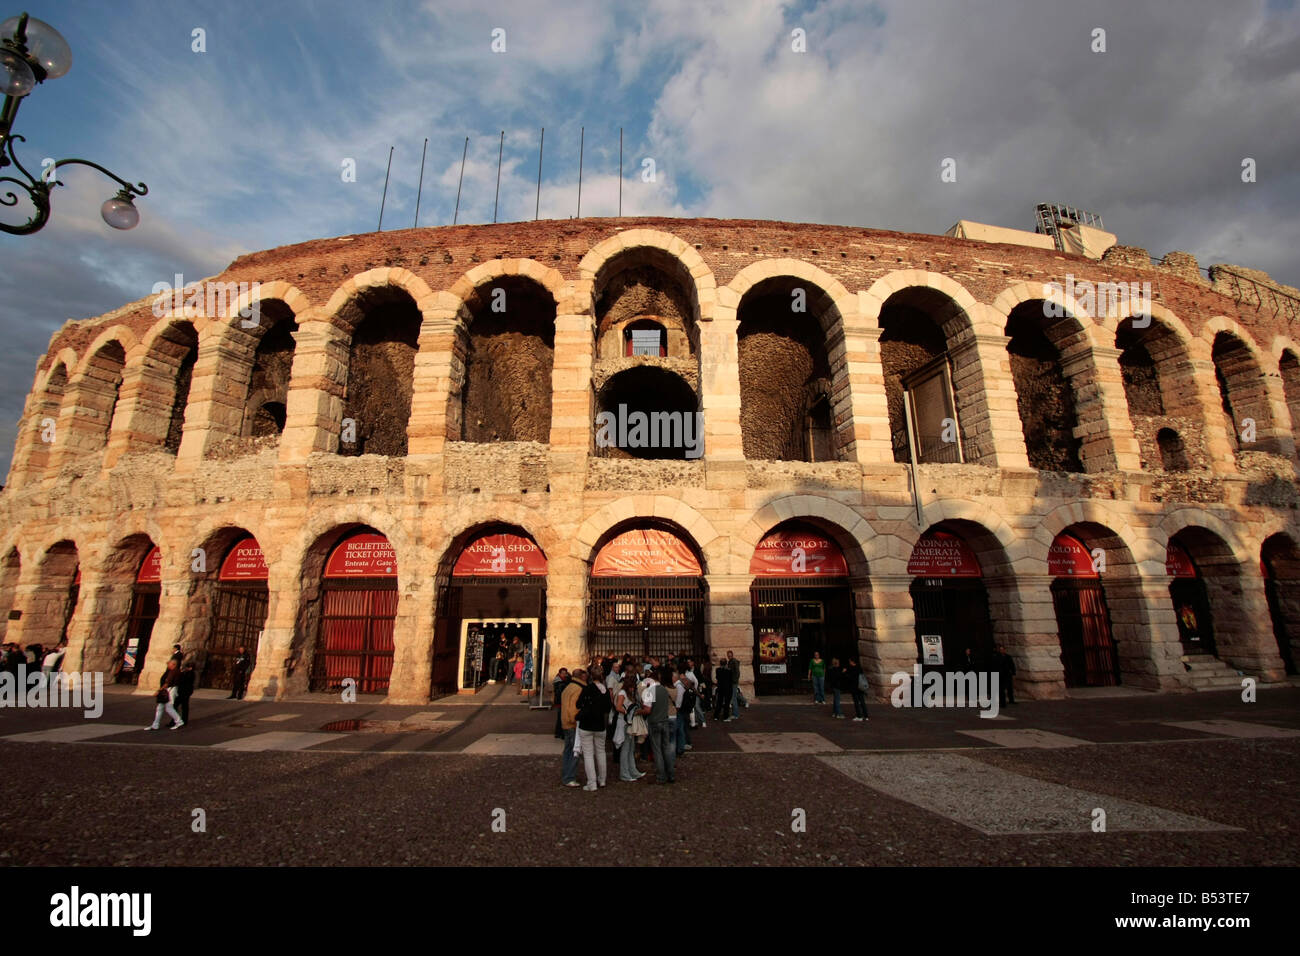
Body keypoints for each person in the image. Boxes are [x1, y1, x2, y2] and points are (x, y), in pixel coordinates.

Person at [576, 665, 611, 790]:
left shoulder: (588, 688)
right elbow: (608, 708)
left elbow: (578, 703)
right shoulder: (605, 691)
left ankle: (592, 782)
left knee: (589, 754)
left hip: (586, 724)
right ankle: (602, 780)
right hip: (600, 724)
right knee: (601, 752)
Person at [639, 667, 675, 784]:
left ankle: (661, 776)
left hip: (655, 722)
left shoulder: (650, 691)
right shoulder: (664, 690)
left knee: (657, 750)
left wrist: (638, 711)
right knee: (666, 749)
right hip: (665, 721)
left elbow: (648, 710)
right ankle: (671, 774)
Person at [613, 673, 644, 782]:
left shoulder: (629, 693)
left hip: (629, 722)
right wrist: (627, 712)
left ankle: (633, 771)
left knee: (630, 748)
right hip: (625, 722)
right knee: (626, 749)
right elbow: (618, 707)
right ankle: (625, 773)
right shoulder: (622, 693)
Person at [560, 668, 585, 787]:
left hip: (565, 722)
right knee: (575, 751)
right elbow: (573, 708)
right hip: (572, 724)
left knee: (568, 751)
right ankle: (569, 777)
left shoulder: (568, 687)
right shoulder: (578, 689)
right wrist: (575, 721)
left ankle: (566, 774)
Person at [146, 659, 184, 731]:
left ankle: (179, 721)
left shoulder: (174, 672)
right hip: (170, 690)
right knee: (160, 708)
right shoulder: (174, 671)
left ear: (173, 664)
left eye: (169, 664)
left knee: (169, 708)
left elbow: (168, 683)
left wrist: (159, 690)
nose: (168, 665)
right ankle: (155, 724)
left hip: (170, 691)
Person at [174, 660, 197, 725]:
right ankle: (183, 720)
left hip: (184, 692)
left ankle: (177, 719)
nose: (186, 668)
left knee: (177, 705)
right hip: (185, 692)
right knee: (184, 706)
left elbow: (184, 681)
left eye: (187, 667)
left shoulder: (190, 674)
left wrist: (182, 673)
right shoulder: (188, 673)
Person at [847, 657, 869, 721]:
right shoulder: (859, 668)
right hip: (860, 687)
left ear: (852, 662)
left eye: (850, 661)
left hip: (855, 687)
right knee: (862, 702)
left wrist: (845, 673)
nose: (849, 662)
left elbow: (850, 678)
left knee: (856, 702)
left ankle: (859, 716)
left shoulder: (851, 668)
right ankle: (866, 716)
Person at [713, 654, 734, 722]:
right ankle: (725, 717)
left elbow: (717, 677)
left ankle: (716, 716)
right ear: (726, 663)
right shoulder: (729, 670)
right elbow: (731, 679)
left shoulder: (717, 670)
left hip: (720, 688)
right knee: (727, 703)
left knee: (719, 702)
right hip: (727, 688)